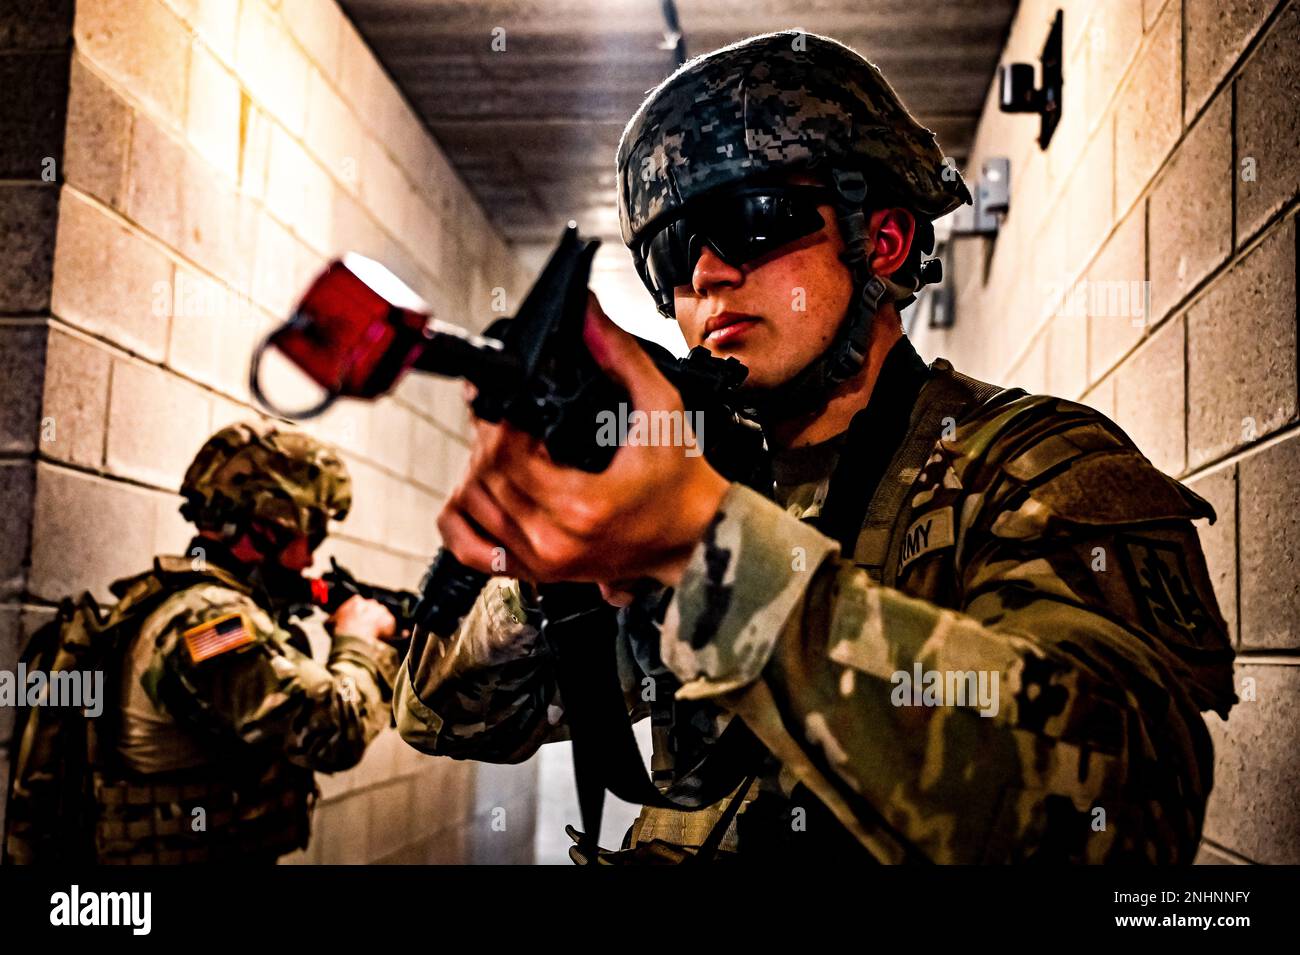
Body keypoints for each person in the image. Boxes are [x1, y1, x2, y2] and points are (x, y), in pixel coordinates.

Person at [395, 31, 1236, 863]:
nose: (710, 273)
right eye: (674, 251)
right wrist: (550, 570)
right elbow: (445, 716)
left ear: (885, 241)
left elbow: (1125, 811)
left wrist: (709, 552)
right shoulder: (694, 477)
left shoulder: (1030, 468)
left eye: (753, 218)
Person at [9, 421, 401, 864]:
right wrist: (360, 641)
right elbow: (332, 734)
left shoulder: (187, 603)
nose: (310, 558)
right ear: (268, 528)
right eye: (311, 537)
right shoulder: (210, 621)